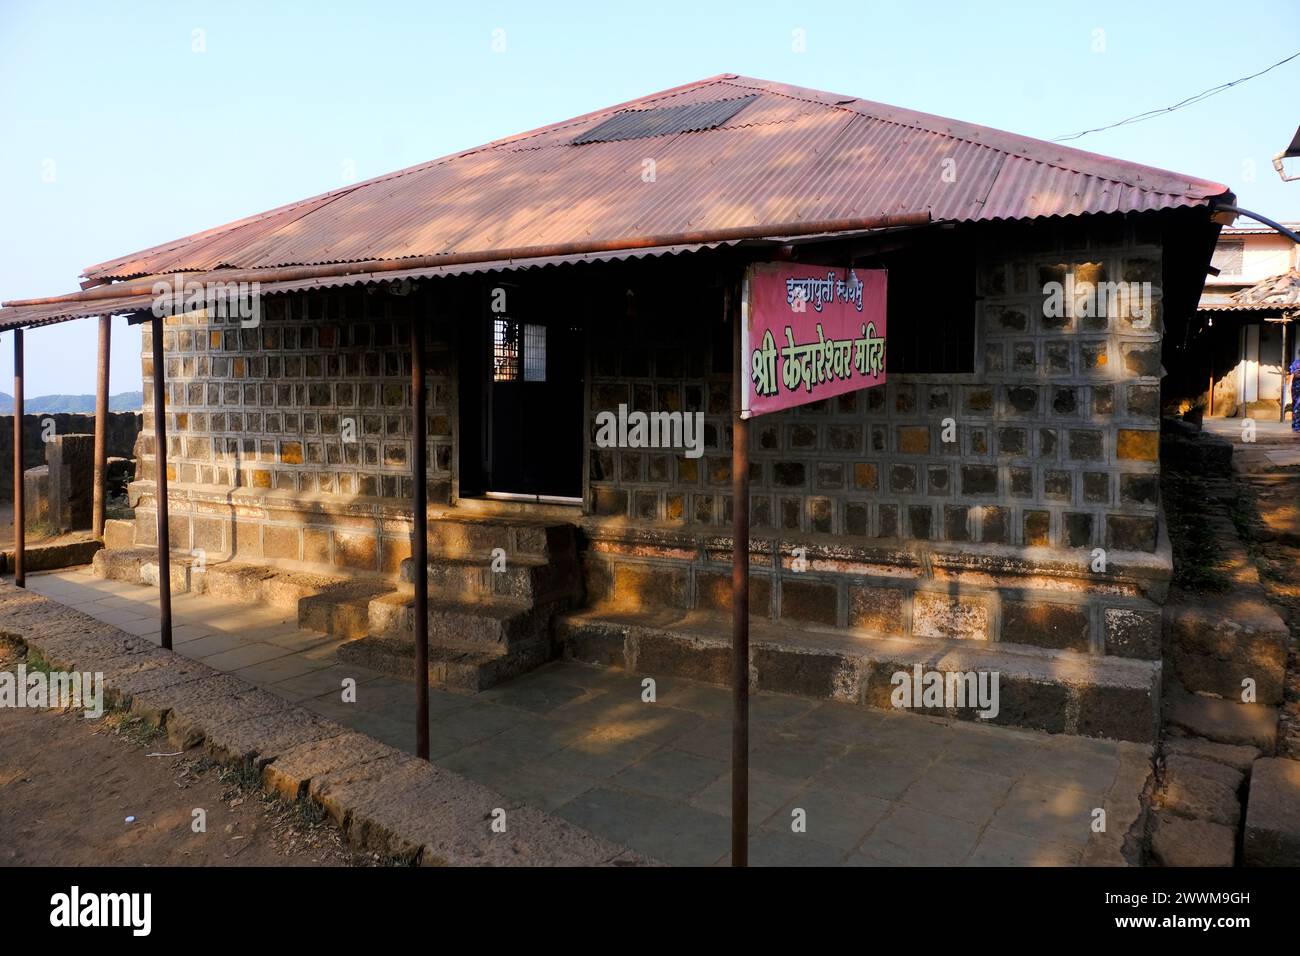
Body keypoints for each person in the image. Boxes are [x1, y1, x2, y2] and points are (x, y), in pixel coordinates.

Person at [1290, 357, 1300, 432]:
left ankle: (1295, 425)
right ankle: (1297, 426)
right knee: (1297, 406)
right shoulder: (1296, 363)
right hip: (1297, 388)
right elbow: (1295, 374)